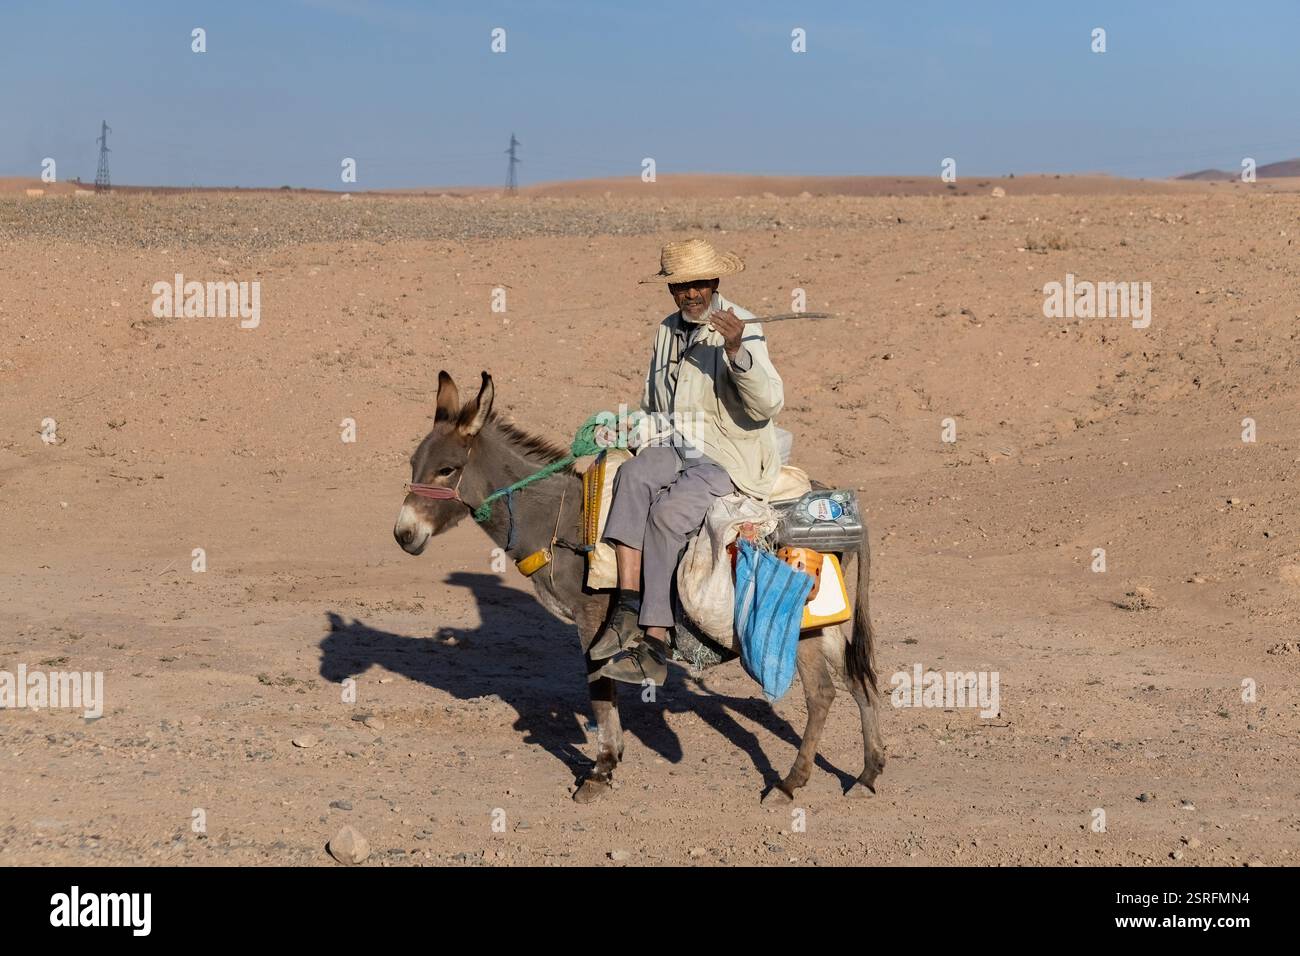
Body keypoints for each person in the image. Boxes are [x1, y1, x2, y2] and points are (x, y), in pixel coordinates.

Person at [594, 238, 784, 685]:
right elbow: (655, 403)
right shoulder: (666, 330)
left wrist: (738, 351)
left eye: (699, 284)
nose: (692, 294)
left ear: (715, 283)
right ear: (671, 290)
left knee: (666, 516)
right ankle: (626, 604)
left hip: (726, 454)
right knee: (633, 474)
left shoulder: (742, 327)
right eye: (682, 286)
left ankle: (655, 640)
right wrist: (630, 429)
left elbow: (768, 403)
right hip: (675, 441)